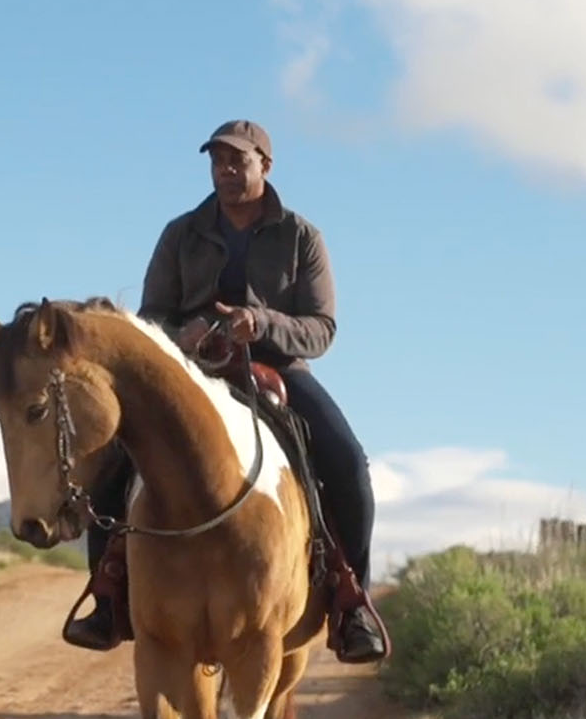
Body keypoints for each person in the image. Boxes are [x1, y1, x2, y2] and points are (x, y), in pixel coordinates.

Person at [66, 118, 388, 664]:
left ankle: (350, 599)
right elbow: (151, 320)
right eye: (219, 162)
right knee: (113, 459)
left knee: (348, 462)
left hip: (277, 371)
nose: (227, 171)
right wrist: (182, 335)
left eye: (239, 161)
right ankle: (109, 593)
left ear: (266, 165)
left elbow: (321, 328)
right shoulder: (181, 232)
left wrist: (259, 324)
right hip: (189, 372)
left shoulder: (301, 236)